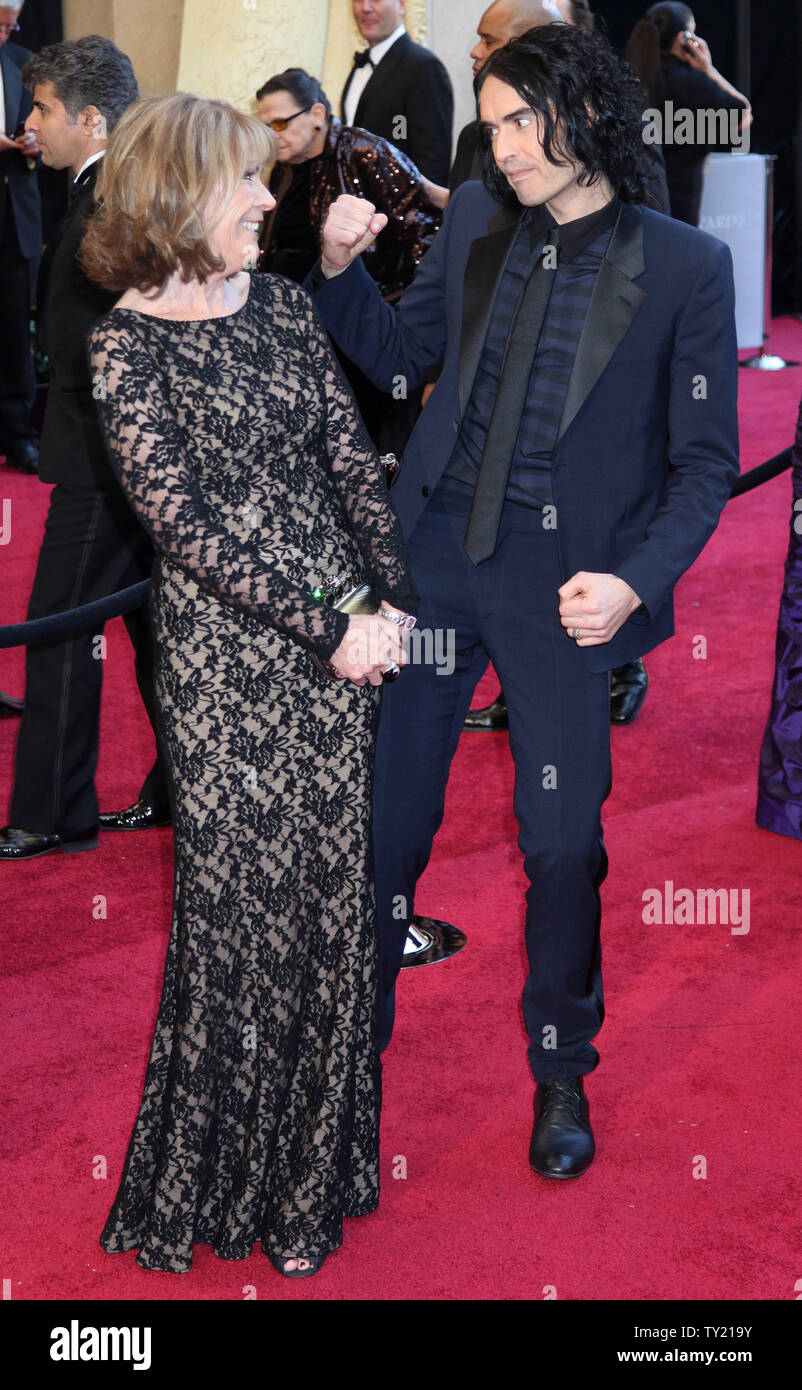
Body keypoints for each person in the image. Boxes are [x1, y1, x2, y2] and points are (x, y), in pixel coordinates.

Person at [309, 23, 738, 1178]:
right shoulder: (473, 223)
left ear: (584, 110)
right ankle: (350, 1072)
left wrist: (636, 582)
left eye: (516, 121)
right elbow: (400, 366)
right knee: (386, 832)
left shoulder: (686, 265)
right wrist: (341, 274)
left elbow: (705, 465)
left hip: (568, 589)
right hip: (436, 562)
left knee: (558, 846)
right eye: (488, 125)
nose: (498, 150)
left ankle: (560, 1070)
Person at [81, 92, 415, 1276]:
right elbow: (186, 529)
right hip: (228, 661)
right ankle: (214, 1180)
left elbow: (347, 459)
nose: (271, 198)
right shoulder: (122, 344)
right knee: (237, 914)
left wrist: (392, 602)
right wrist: (329, 619)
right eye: (249, 180)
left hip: (343, 652)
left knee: (328, 905)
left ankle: (308, 1180)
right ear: (181, 192)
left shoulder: (278, 305)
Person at [453, 1, 661, 731]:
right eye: (492, 128)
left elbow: (649, 260)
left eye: (494, 40)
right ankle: (517, 679)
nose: (479, 51)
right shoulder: (493, 183)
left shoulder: (621, 162)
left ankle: (611, 670)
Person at [0, 36, 170, 864]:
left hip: (104, 459)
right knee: (151, 626)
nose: (29, 122)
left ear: (92, 118)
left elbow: (126, 338)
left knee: (60, 628)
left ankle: (51, 813)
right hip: (110, 453)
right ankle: (180, 784)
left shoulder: (117, 196)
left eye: (42, 109)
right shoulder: (98, 186)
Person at [258, 66, 440, 453]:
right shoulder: (284, 169)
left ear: (318, 115)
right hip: (306, 329)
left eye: (279, 122)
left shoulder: (365, 153)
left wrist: (405, 321)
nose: (273, 136)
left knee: (361, 441)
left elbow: (423, 237)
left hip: (364, 324)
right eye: (265, 126)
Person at [624, 2, 751, 227]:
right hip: (680, 210)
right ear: (685, 39)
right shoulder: (692, 83)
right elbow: (743, 115)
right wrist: (709, 69)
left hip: (633, 208)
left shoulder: (627, 78)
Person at [342, 0, 453, 186]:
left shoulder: (423, 66)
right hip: (358, 205)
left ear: (401, 4)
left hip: (399, 210)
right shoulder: (359, 66)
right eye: (358, 0)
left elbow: (433, 164)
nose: (365, 8)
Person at [0, 0, 42, 475]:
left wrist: (33, 145)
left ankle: (19, 437)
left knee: (14, 334)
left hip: (17, 220)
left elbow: (41, 134)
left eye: (12, 27)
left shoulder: (23, 64)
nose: (7, 35)